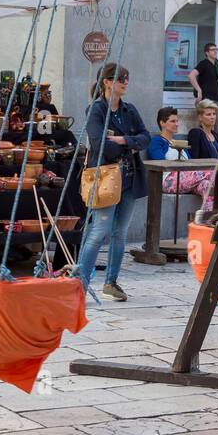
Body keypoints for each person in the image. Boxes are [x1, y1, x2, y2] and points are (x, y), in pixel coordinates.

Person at [75, 63, 150, 301]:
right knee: (99, 231)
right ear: (107, 82)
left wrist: (120, 139)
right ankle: (80, 283)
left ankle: (111, 282)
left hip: (128, 178)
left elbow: (146, 137)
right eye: (120, 79)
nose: (125, 83)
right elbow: (99, 145)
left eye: (127, 79)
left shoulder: (129, 110)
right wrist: (130, 145)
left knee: (121, 232)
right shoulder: (96, 110)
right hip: (106, 177)